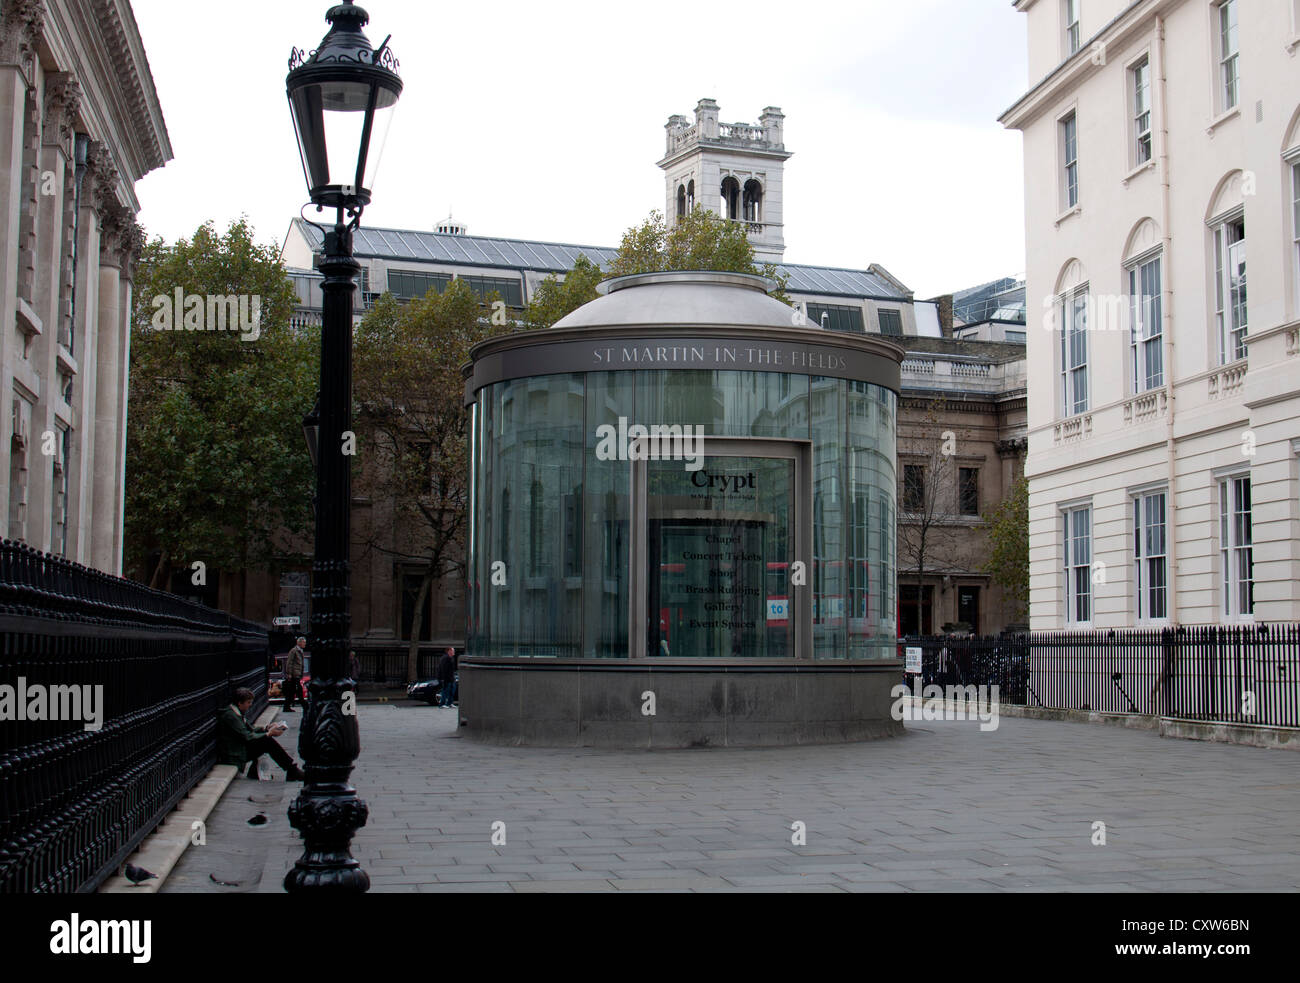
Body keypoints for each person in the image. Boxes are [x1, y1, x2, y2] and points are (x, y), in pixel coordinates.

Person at [217, 687, 305, 781]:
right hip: (235, 754)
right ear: (239, 703)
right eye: (248, 702)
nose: (250, 705)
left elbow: (251, 730)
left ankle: (289, 770)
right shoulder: (231, 716)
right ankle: (292, 770)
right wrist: (268, 734)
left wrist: (267, 728)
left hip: (240, 747)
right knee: (267, 741)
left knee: (265, 738)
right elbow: (247, 736)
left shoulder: (235, 713)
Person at [283, 636, 307, 712]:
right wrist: (289, 673)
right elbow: (289, 662)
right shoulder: (294, 651)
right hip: (294, 674)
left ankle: (286, 707)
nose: (305, 644)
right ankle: (305, 705)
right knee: (298, 690)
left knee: (292, 691)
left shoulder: (300, 651)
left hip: (297, 674)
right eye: (304, 642)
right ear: (299, 642)